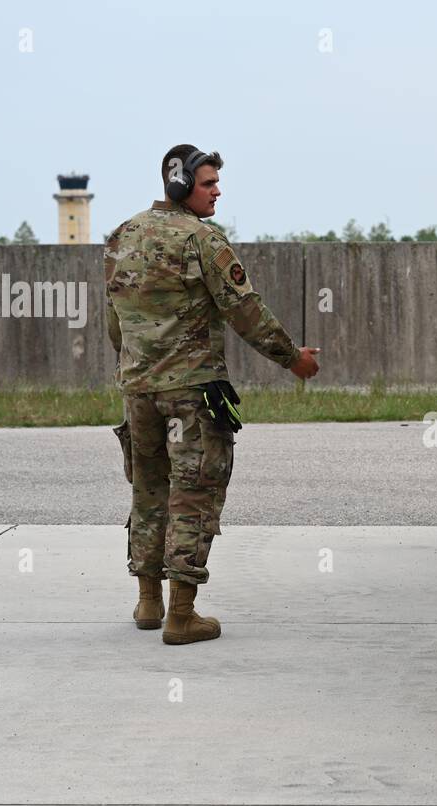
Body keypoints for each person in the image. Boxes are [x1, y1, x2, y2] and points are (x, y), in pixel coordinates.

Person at [105, 144, 320, 645]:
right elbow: (245, 309)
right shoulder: (203, 240)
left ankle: (147, 600)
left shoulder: (122, 236)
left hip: (137, 390)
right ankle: (182, 615)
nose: (217, 191)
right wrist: (293, 358)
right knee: (192, 495)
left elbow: (114, 320)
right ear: (181, 187)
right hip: (190, 393)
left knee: (148, 489)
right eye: (208, 184)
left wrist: (134, 366)